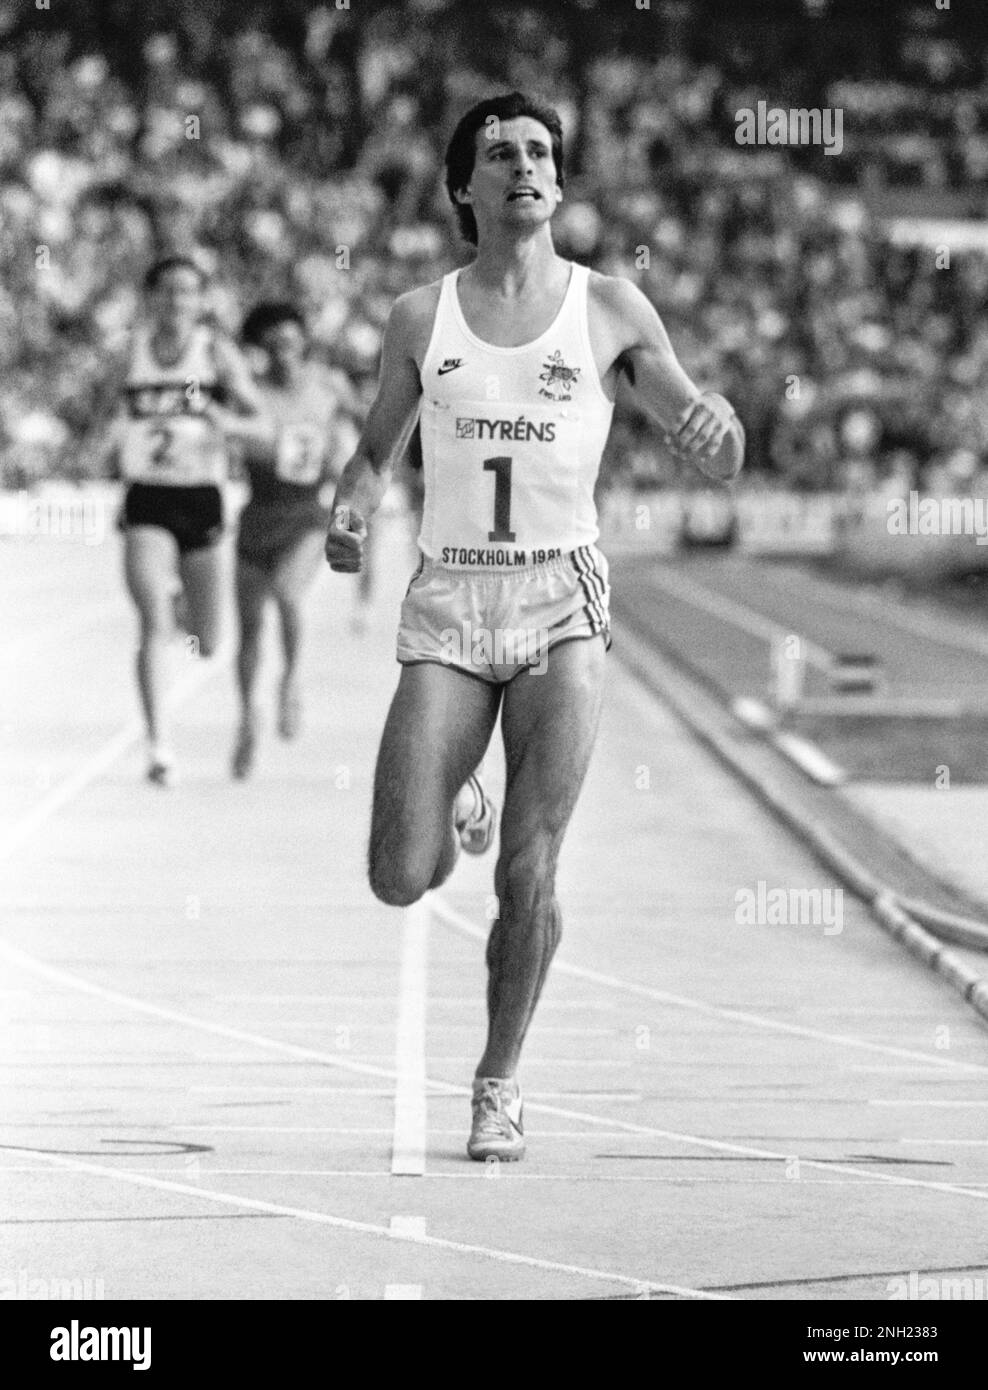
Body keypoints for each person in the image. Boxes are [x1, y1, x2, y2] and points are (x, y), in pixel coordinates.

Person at [325, 92, 744, 1161]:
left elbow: (711, 437)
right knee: (399, 873)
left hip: (562, 599)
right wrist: (348, 511)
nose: (526, 164)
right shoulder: (422, 317)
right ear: (464, 185)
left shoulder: (607, 308)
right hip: (451, 602)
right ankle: (458, 777)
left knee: (530, 868)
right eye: (502, 153)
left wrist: (720, 431)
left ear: (558, 180)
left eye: (541, 151)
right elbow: (375, 454)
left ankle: (498, 1078)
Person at [110, 256, 262, 785]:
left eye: (188, 292)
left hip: (201, 500)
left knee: (208, 641)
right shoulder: (130, 349)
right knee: (151, 621)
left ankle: (181, 607)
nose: (176, 301)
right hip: (147, 499)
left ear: (202, 300)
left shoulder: (215, 352)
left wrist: (228, 422)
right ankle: (159, 747)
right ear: (151, 297)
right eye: (168, 291)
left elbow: (260, 418)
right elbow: (112, 409)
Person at [203, 302, 359, 778]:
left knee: (289, 597)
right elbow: (225, 423)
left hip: (306, 513)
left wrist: (348, 453)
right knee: (249, 631)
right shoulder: (250, 397)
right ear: (261, 352)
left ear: (304, 344)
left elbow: (372, 420)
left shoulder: (329, 386)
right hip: (258, 514)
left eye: (291, 343)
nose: (284, 354)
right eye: (273, 347)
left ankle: (290, 682)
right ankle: (248, 714)